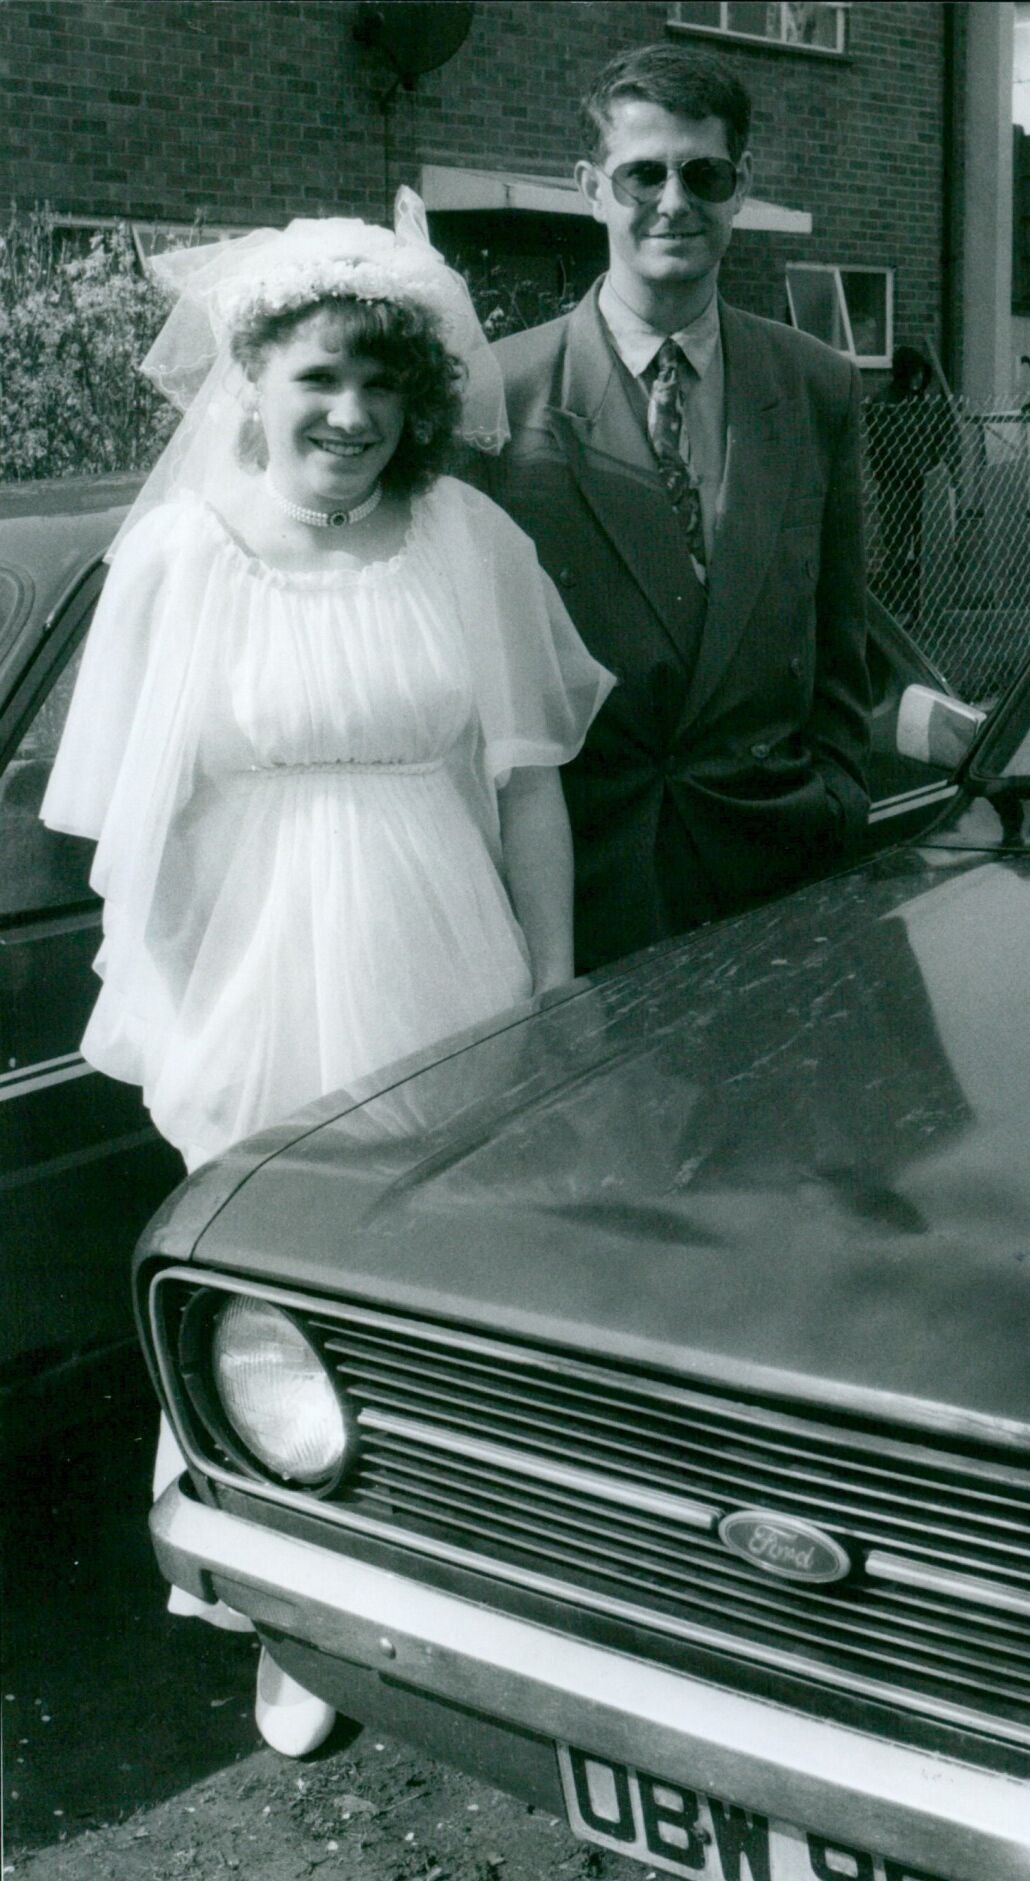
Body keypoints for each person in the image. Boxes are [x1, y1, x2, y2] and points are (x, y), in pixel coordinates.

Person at [40, 192, 613, 1754]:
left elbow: (526, 782)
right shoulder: (178, 560)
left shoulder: (469, 542)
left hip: (448, 958)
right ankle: (291, 1619)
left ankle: (475, 1586)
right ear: (253, 382)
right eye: (318, 380)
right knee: (272, 1305)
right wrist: (177, 1018)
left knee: (456, 1284)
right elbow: (137, 830)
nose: (352, 415)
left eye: (382, 384)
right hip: (257, 972)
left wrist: (551, 985)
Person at [485, 42, 873, 973]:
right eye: (641, 174)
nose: (673, 202)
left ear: (741, 186)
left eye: (704, 174)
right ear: (589, 186)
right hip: (586, 882)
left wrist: (838, 794)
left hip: (775, 863)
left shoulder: (817, 384)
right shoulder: (499, 394)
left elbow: (841, 633)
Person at [865, 344, 956, 624]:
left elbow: (937, 440)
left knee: (925, 546)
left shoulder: (922, 404)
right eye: (914, 374)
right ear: (902, 373)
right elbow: (889, 448)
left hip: (925, 488)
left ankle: (922, 607)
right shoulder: (884, 403)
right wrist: (921, 469)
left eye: (922, 374)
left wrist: (936, 464)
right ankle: (896, 610)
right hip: (896, 486)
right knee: (896, 548)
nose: (918, 380)